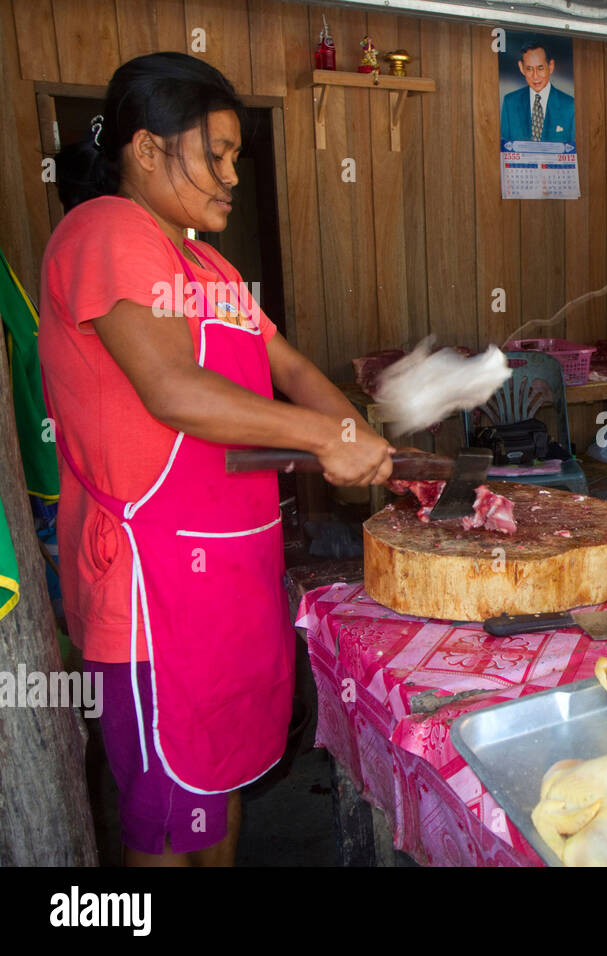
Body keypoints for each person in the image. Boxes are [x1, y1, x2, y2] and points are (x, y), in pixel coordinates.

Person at [38, 52, 394, 866]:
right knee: (166, 816)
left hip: (231, 580)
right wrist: (324, 439)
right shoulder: (106, 231)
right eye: (218, 152)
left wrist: (365, 446)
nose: (232, 175)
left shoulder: (210, 266)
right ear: (147, 148)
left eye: (238, 157)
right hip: (151, 592)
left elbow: (295, 369)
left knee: (216, 780)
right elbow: (171, 389)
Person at [499, 41, 576, 145]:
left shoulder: (569, 105)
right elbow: (504, 150)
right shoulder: (510, 102)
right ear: (521, 68)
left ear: (551, 66)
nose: (535, 76)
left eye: (540, 68)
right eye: (529, 69)